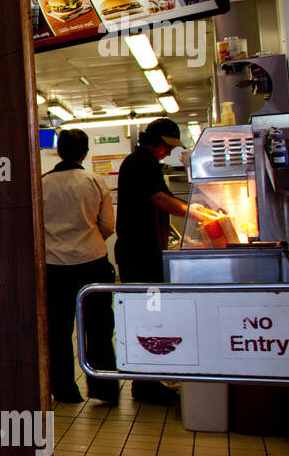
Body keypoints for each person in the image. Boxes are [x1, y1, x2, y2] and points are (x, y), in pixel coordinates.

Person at [113, 117, 217, 405]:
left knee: (151, 318)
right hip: (139, 253)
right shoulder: (139, 163)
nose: (168, 152)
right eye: (166, 147)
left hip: (145, 252)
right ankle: (144, 384)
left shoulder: (147, 164)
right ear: (155, 142)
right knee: (145, 318)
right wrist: (197, 215)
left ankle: (149, 379)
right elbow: (159, 199)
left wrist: (193, 208)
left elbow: (166, 197)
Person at [42, 128, 117, 405]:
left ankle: (64, 390)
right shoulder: (94, 181)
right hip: (92, 264)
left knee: (58, 331)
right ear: (85, 152)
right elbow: (108, 225)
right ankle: (105, 389)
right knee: (98, 328)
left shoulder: (43, 183)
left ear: (58, 151)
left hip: (54, 267)